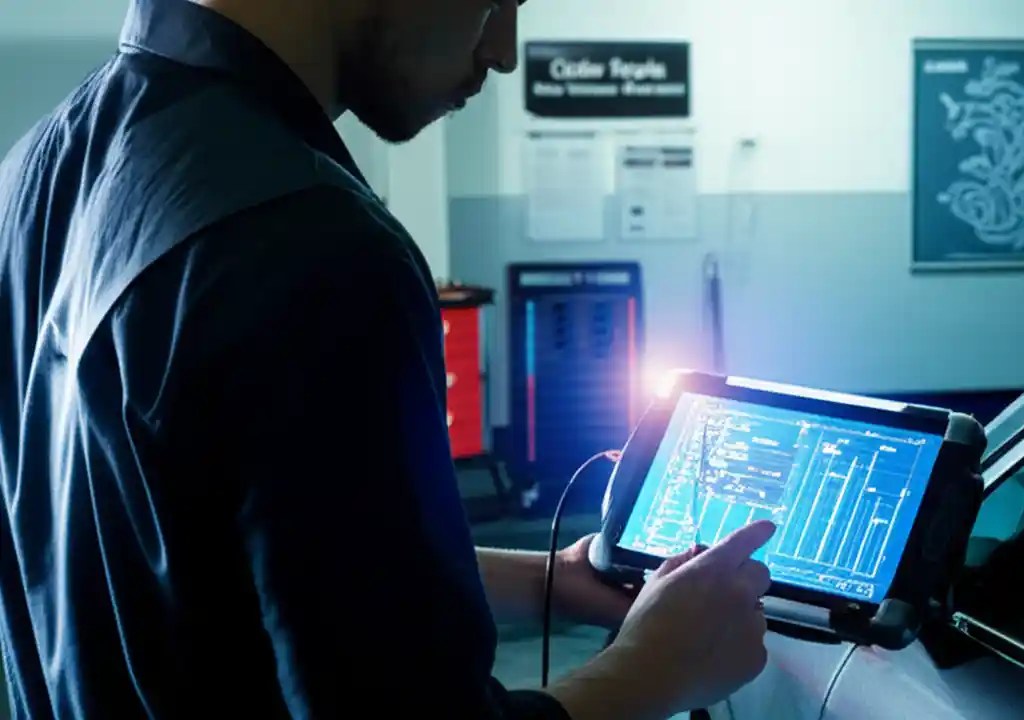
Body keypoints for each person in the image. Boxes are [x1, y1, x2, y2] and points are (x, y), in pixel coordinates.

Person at [0, 0, 775, 718]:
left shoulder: (35, 171)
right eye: (497, 1)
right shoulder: (312, 245)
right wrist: (654, 667)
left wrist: (553, 581)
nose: (504, 51)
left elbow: (231, 561)